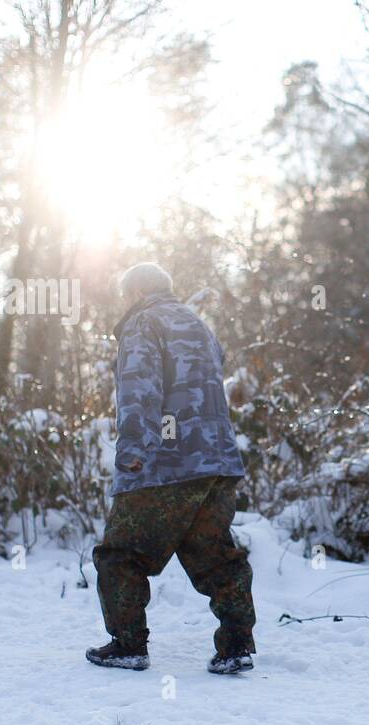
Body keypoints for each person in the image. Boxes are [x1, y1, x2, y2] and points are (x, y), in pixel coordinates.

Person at [86, 262, 256, 674]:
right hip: (215, 461)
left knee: (120, 555)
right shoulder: (199, 326)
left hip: (165, 464)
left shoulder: (143, 323)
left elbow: (139, 391)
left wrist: (133, 450)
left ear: (133, 293)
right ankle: (236, 647)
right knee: (216, 557)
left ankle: (128, 645)